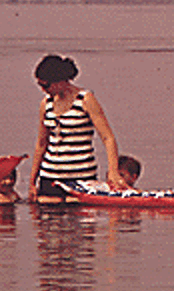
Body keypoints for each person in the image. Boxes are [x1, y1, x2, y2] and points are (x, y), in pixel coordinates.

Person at [27, 54, 129, 203]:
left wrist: (113, 172)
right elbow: (41, 144)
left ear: (60, 81)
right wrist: (32, 181)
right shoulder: (46, 104)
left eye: (46, 85)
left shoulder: (85, 100)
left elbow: (108, 138)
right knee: (48, 222)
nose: (43, 90)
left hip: (82, 176)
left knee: (82, 222)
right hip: (50, 176)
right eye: (39, 85)